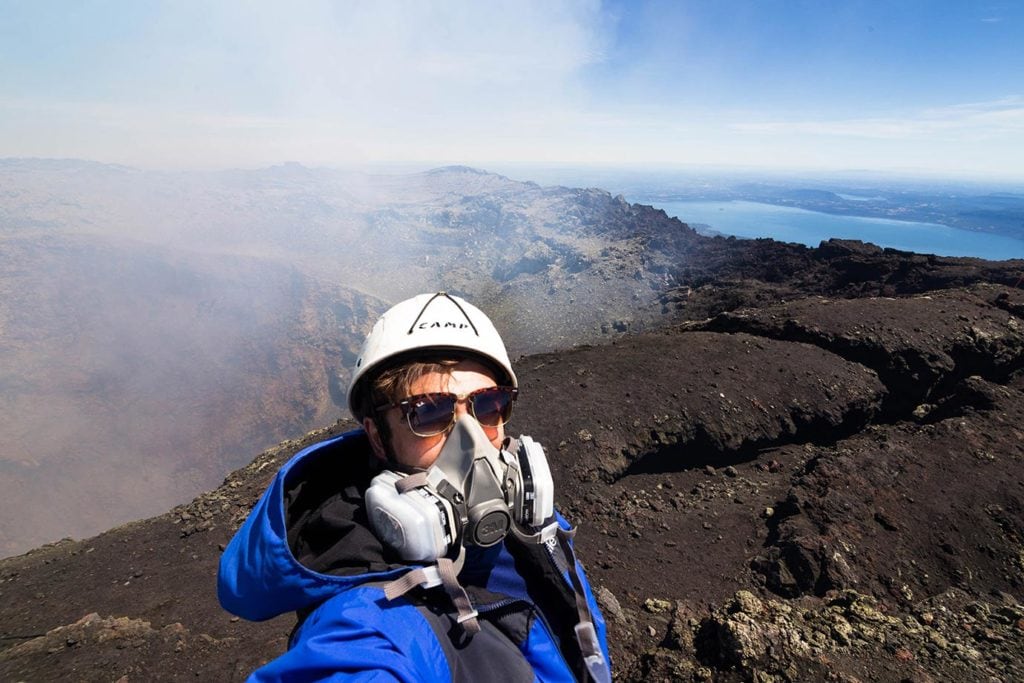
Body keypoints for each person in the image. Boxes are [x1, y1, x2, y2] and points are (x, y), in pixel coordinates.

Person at [218, 292, 611, 682]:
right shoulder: (372, 627)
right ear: (377, 437)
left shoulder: (536, 534)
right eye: (429, 412)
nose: (471, 437)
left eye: (488, 404)